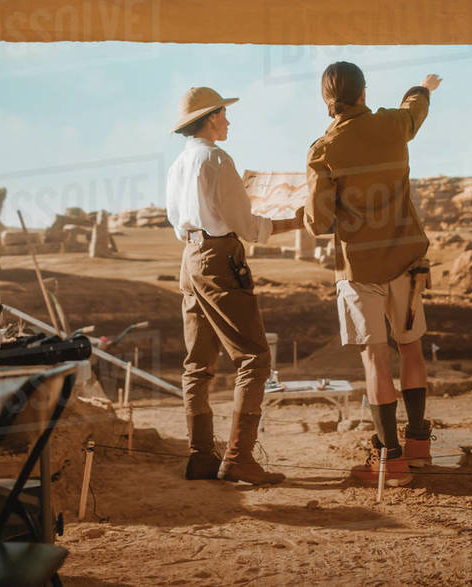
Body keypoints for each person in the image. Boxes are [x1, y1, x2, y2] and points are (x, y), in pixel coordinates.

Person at [304, 62, 441, 486]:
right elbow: (414, 108)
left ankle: (391, 461)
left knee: (376, 359)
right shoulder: (392, 125)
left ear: (327, 100)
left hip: (359, 267)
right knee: (412, 349)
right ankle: (419, 445)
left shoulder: (323, 150)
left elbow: (318, 221)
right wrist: (422, 86)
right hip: (406, 261)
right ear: (363, 93)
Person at [166, 86, 303, 485]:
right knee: (255, 359)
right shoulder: (218, 159)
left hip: (190, 259)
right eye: (224, 115)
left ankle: (200, 456)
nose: (228, 121)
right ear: (211, 118)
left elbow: (180, 221)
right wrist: (294, 222)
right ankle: (239, 458)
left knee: (197, 364)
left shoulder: (178, 165)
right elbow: (244, 224)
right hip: (218, 259)